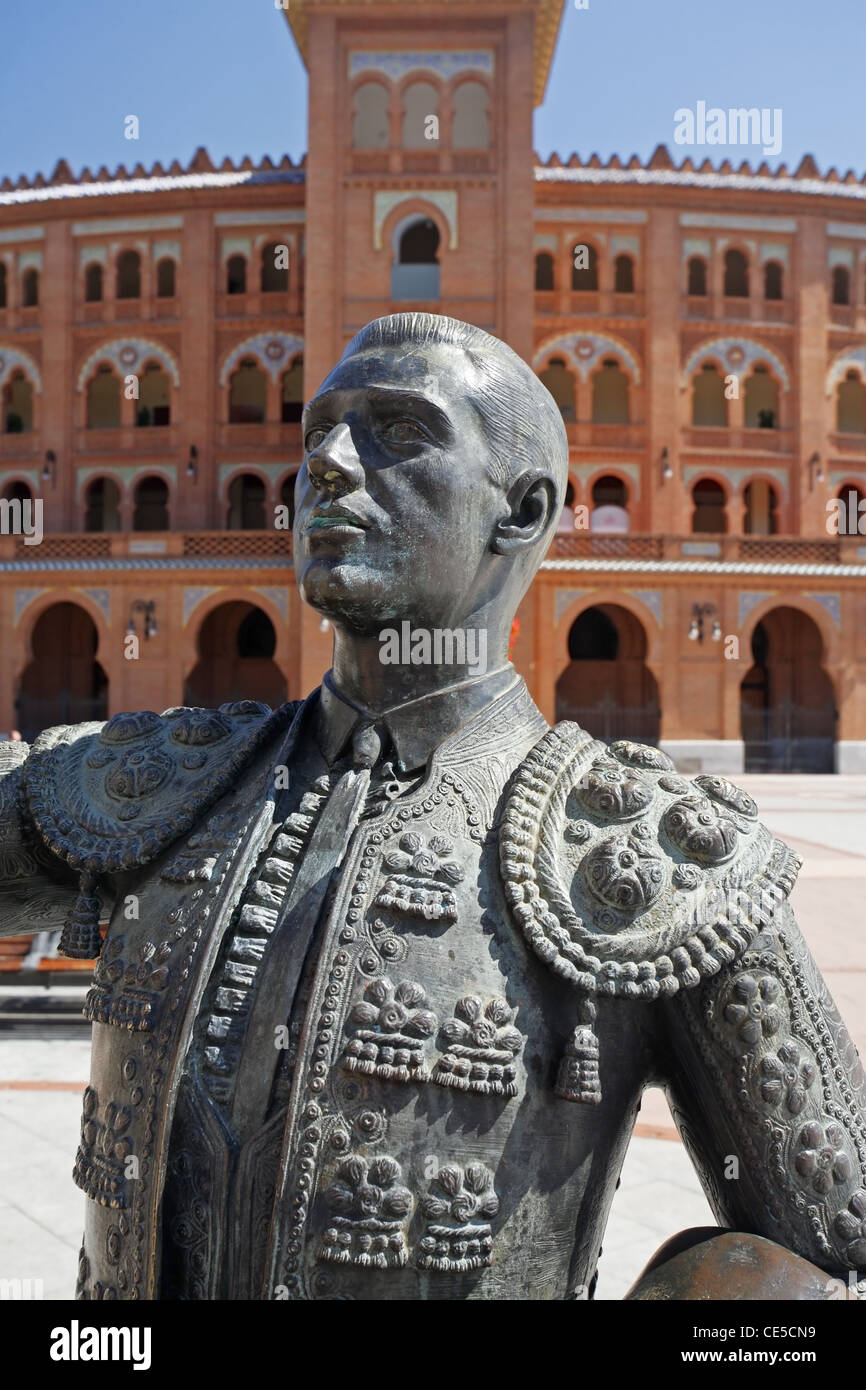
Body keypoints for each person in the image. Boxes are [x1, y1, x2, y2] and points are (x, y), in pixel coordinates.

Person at [0, 313, 863, 1300]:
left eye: (396, 431)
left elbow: (840, 1250)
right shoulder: (166, 780)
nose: (322, 460)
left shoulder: (657, 857)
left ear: (522, 510)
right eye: (316, 429)